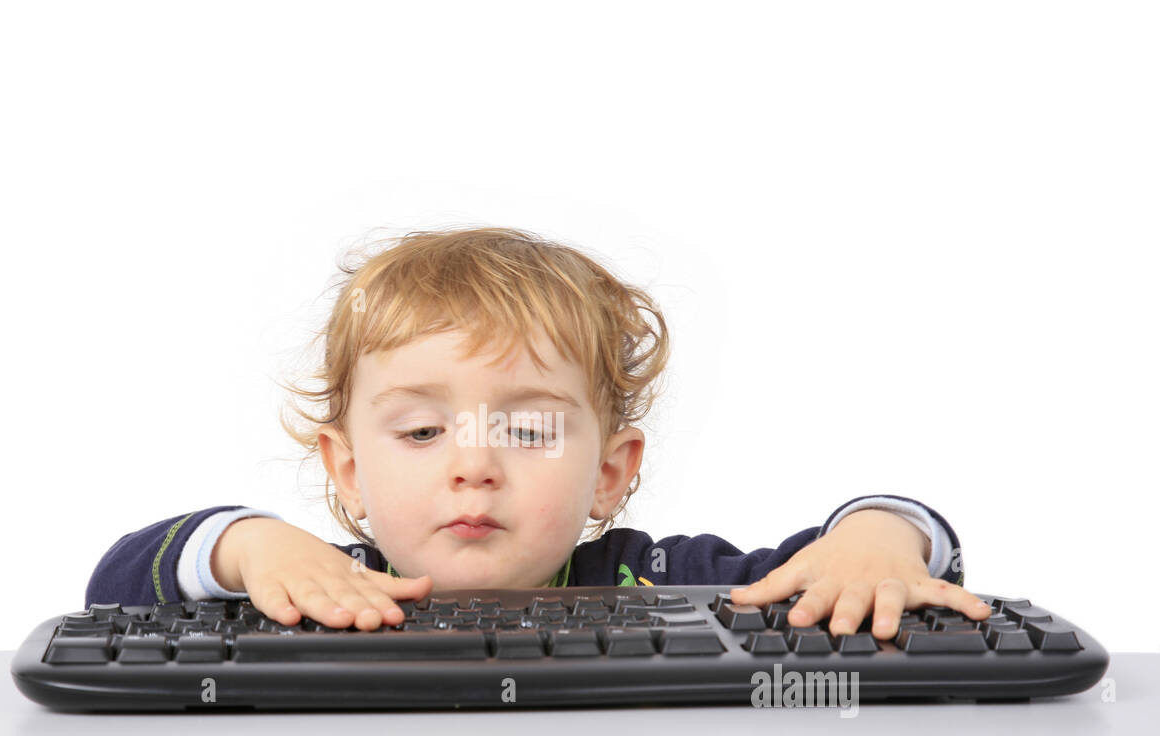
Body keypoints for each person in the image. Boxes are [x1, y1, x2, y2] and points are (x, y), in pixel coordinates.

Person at [85, 226, 990, 640]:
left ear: (609, 473)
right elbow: (114, 593)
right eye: (423, 431)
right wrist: (245, 545)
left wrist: (879, 535)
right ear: (348, 472)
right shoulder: (328, 589)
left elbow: (838, 572)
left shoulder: (660, 581)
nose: (474, 466)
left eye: (526, 430)